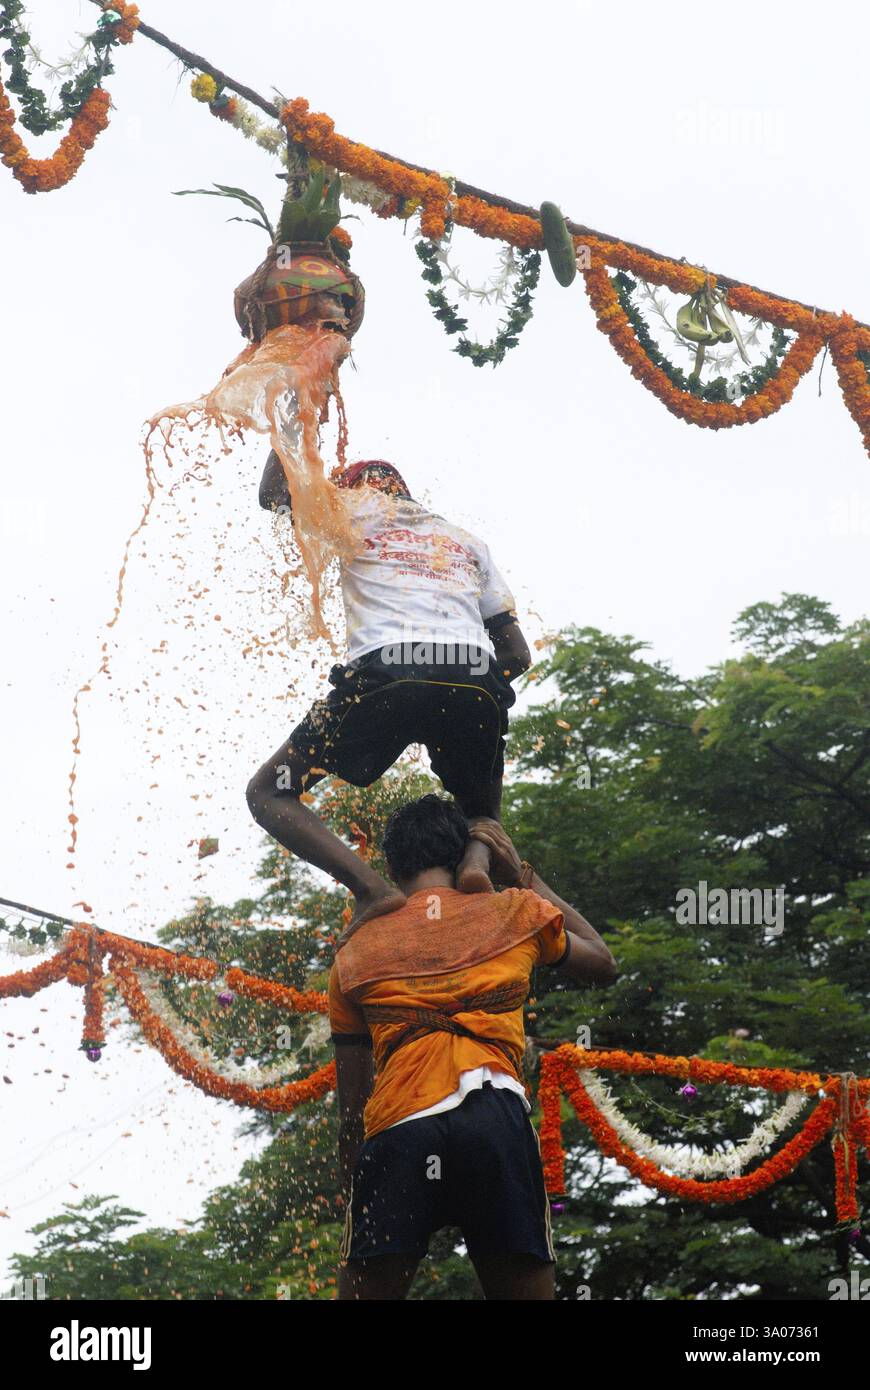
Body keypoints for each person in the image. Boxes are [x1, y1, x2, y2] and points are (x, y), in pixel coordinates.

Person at [328, 794, 618, 1301]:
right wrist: (519, 872)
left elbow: (353, 1103)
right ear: (462, 855)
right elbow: (602, 960)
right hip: (494, 1118)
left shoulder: (355, 951)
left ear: (392, 867)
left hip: (399, 1131)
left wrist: (357, 1181)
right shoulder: (514, 910)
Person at [247, 456, 532, 931]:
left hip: (390, 671)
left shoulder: (350, 509)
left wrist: (289, 398)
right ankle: (477, 864)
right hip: (476, 675)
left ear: (356, 488)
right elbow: (517, 655)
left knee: (269, 792)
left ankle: (372, 890)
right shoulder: (465, 540)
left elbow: (273, 494)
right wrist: (464, 683)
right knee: (481, 811)